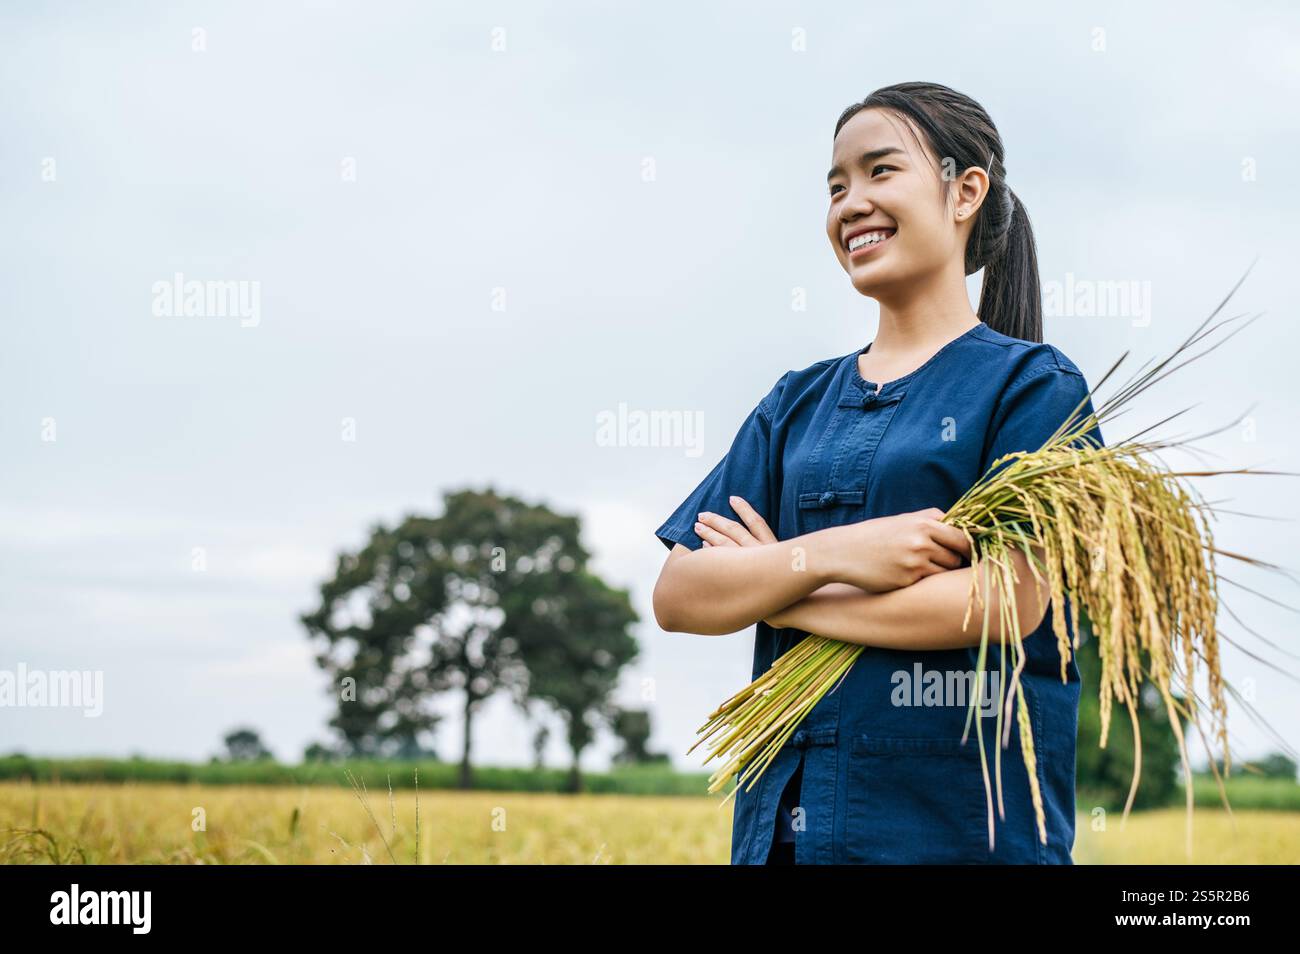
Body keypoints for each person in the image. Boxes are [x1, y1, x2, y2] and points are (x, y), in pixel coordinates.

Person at [651, 82, 1105, 865]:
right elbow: (681, 594)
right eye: (835, 187)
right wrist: (835, 555)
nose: (850, 203)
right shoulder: (793, 404)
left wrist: (782, 595)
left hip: (961, 835)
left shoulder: (1035, 389)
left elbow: (1004, 601)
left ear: (965, 191)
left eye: (879, 172)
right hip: (788, 833)